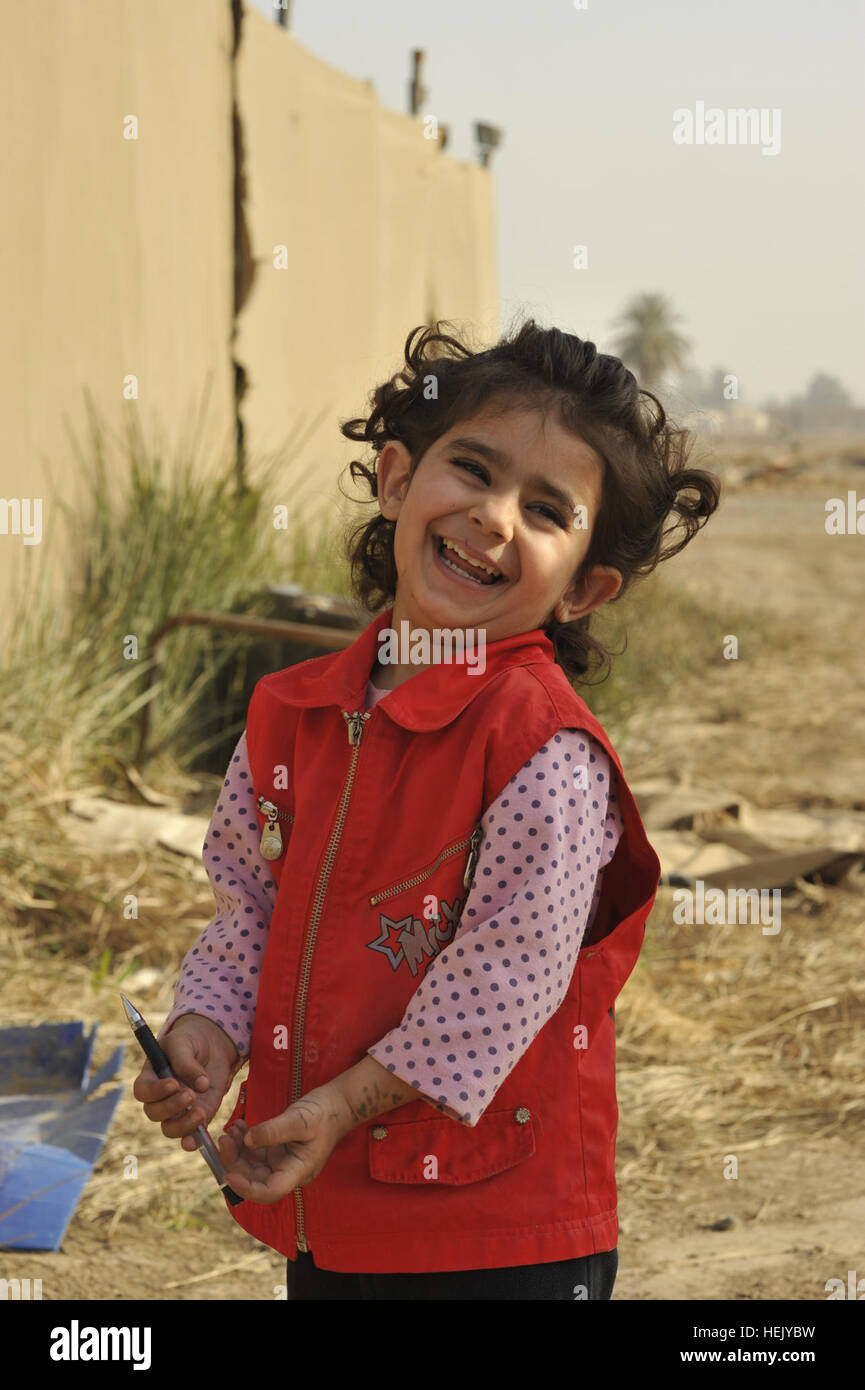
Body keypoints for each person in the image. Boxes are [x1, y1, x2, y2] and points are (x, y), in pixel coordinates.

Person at [134, 319, 720, 1300]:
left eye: (545, 509)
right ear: (399, 478)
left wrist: (336, 1104)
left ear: (584, 586)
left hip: (501, 1232)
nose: (494, 517)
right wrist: (208, 1031)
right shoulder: (292, 712)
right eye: (475, 472)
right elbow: (252, 909)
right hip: (334, 1215)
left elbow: (506, 977)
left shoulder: (541, 747)